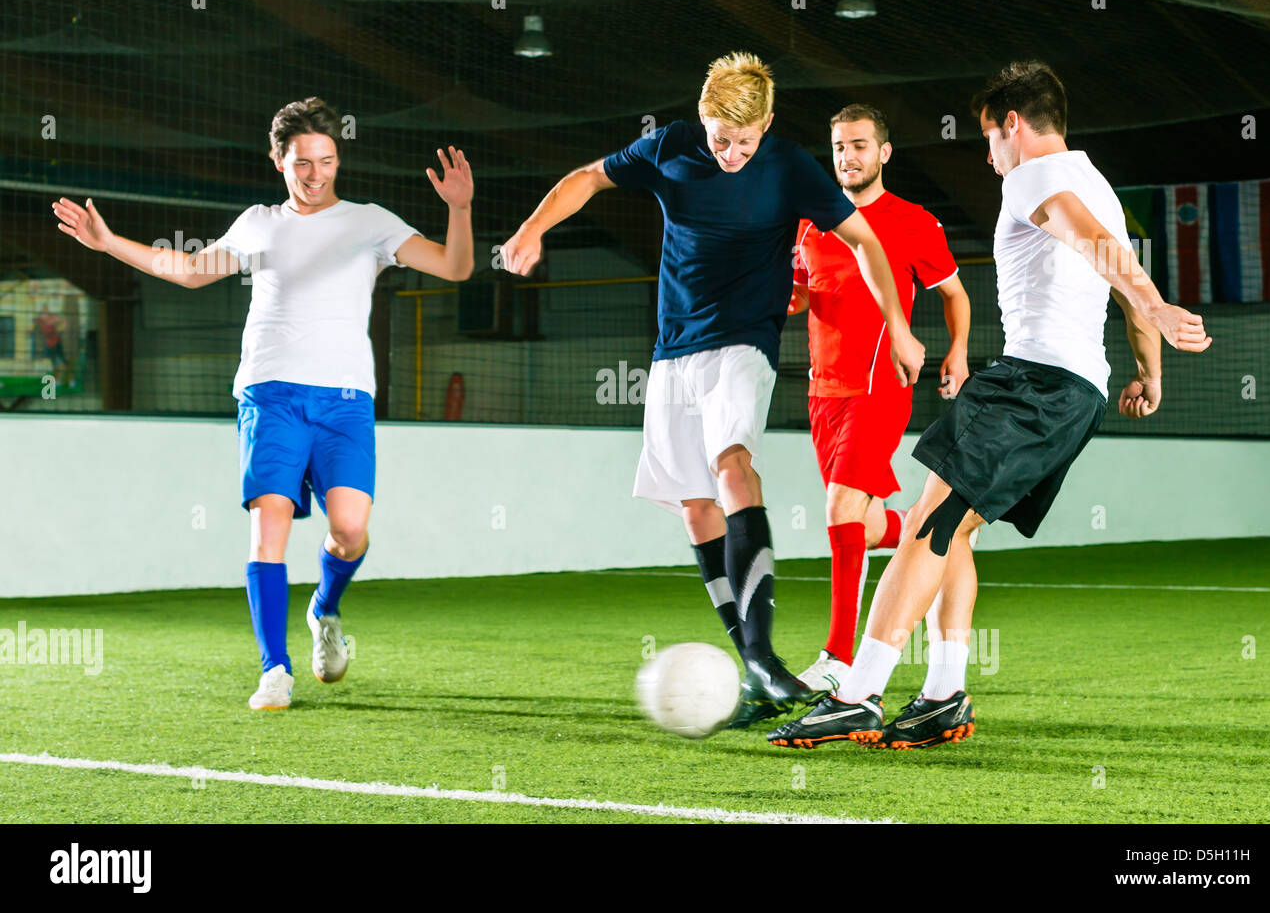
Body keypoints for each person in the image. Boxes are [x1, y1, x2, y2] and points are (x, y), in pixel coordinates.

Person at [769, 61, 1211, 749]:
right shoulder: (1098, 184)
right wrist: (1149, 372)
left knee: (928, 521)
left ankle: (857, 693)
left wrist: (1154, 304)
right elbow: (1118, 281)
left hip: (1032, 384)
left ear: (1013, 123)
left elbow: (1087, 241)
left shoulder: (1038, 175)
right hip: (1075, 391)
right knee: (956, 523)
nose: (988, 155)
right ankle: (943, 692)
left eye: (988, 137)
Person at [501, 52, 926, 727]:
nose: (728, 153)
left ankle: (762, 658)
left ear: (768, 124)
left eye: (743, 141)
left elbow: (867, 241)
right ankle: (750, 664)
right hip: (673, 352)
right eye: (718, 139)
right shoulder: (670, 146)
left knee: (733, 465)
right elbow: (588, 178)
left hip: (744, 343)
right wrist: (531, 229)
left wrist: (900, 329)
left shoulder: (790, 167)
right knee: (695, 507)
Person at [52, 97, 475, 710]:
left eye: (327, 160)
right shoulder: (260, 223)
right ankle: (275, 669)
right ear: (279, 160)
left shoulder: (371, 222)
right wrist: (110, 242)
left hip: (346, 400)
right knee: (269, 520)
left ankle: (324, 609)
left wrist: (459, 209)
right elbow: (192, 270)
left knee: (350, 531)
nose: (315, 173)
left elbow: (456, 267)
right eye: (303, 162)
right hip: (270, 392)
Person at [787, 103, 972, 693]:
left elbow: (955, 295)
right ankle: (927, 537)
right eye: (840, 146)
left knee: (839, 513)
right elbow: (796, 296)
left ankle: (839, 659)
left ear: (884, 153)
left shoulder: (914, 221)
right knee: (860, 526)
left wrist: (957, 352)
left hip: (880, 388)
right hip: (822, 392)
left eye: (860, 145)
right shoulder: (810, 222)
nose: (848, 156)